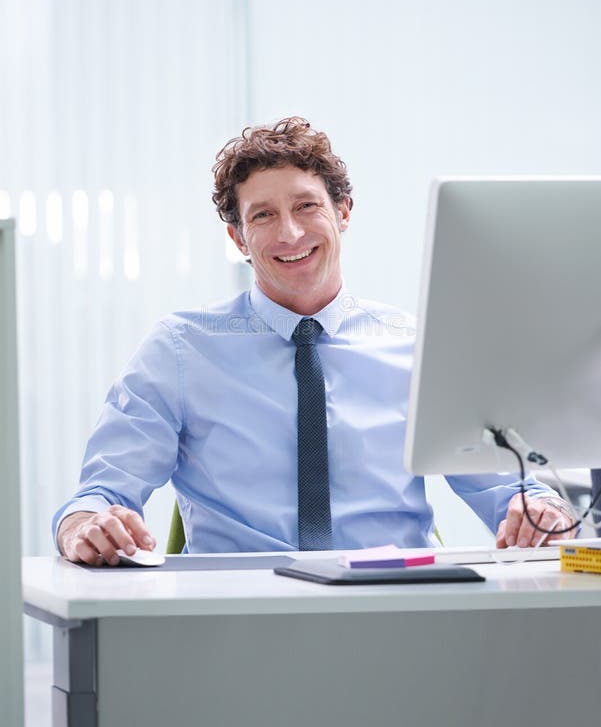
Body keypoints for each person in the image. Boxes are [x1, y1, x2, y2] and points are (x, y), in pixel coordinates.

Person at [54, 116, 575, 565]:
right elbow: (101, 493)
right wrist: (86, 526)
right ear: (238, 238)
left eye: (306, 206)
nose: (290, 233)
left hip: (396, 603)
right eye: (262, 215)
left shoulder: (418, 347)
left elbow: (508, 486)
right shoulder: (180, 350)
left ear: (343, 212)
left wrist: (541, 510)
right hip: (238, 614)